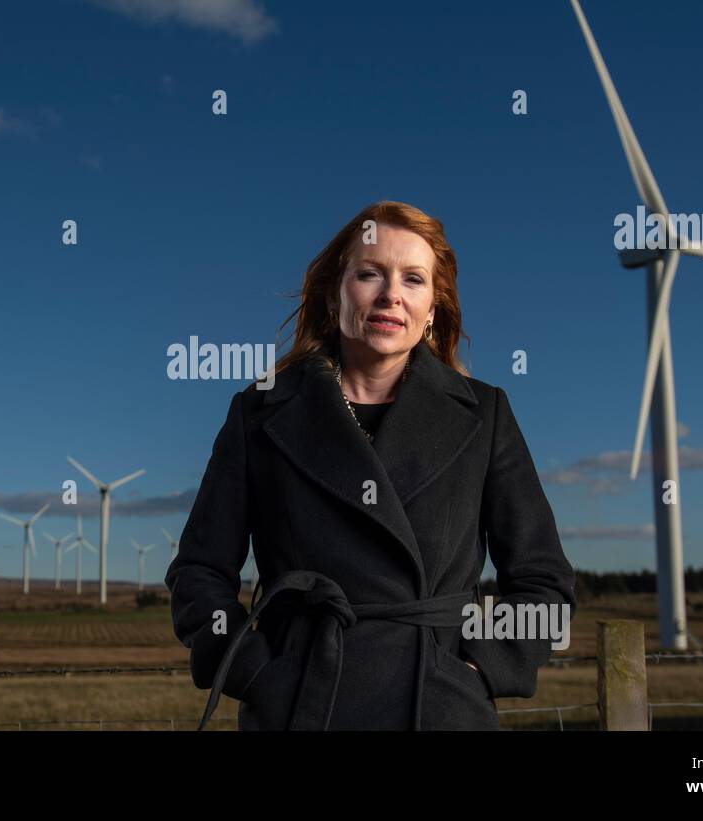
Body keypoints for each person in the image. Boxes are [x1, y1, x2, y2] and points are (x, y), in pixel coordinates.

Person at [164, 200, 577, 730]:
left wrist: (477, 670)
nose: (391, 296)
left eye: (413, 279)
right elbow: (199, 571)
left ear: (432, 308)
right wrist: (257, 673)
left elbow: (544, 580)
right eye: (370, 274)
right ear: (336, 294)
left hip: (439, 709)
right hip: (302, 708)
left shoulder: (485, 414)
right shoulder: (259, 414)